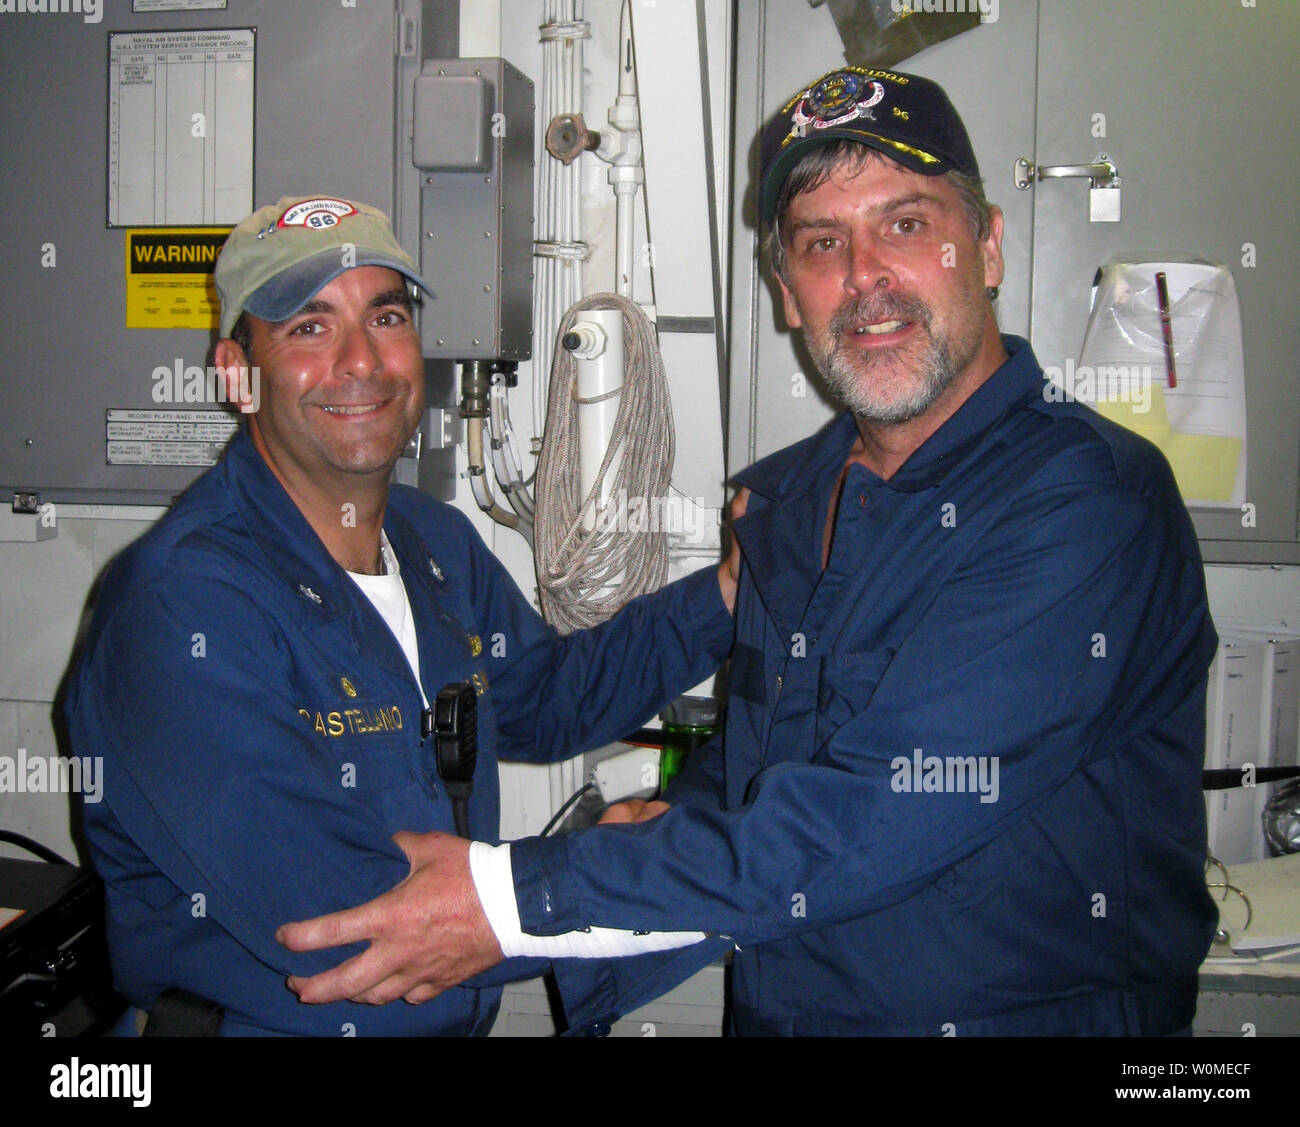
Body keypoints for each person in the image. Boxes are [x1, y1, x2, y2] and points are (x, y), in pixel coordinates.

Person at [279, 68, 1220, 1036]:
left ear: (985, 246)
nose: (863, 277)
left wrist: (505, 895)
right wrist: (679, 822)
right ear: (785, 292)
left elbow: (868, 809)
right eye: (822, 243)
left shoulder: (1083, 499)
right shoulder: (788, 501)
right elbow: (767, 759)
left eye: (905, 224)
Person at [64, 194, 737, 1035]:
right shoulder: (180, 610)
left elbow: (546, 699)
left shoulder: (432, 543)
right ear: (237, 372)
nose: (361, 361)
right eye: (309, 328)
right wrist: (612, 867)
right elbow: (347, 915)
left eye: (385, 316)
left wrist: (727, 595)